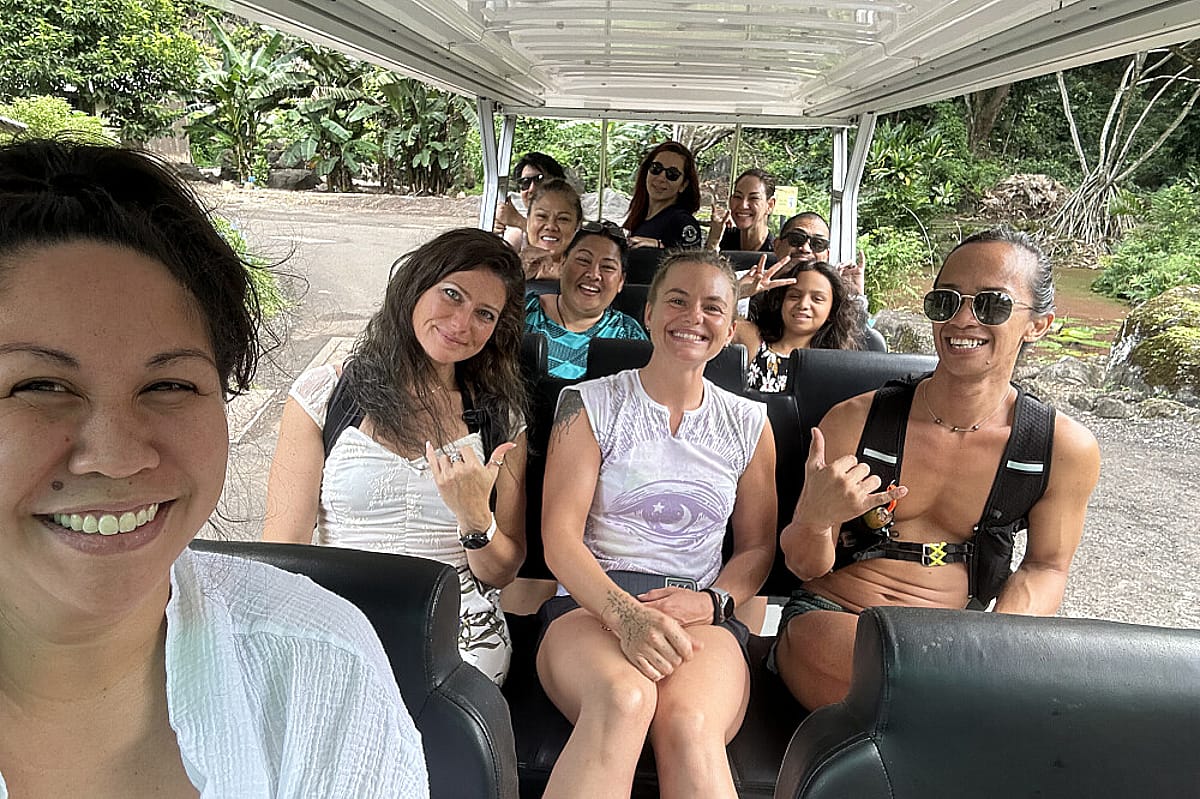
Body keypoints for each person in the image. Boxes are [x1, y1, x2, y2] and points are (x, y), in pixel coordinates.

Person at [0, 139, 427, 796]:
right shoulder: (335, 397)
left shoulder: (319, 670)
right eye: (38, 386)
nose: (117, 458)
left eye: (169, 385)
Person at [771, 228, 1102, 711]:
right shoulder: (855, 420)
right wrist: (816, 519)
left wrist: (998, 645)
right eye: (946, 301)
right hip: (836, 618)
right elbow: (803, 566)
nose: (963, 319)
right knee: (902, 692)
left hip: (956, 642)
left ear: (1039, 324)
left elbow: (1046, 566)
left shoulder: (1059, 448)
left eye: (992, 305)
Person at [536, 250, 777, 798]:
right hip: (590, 605)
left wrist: (712, 603)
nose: (694, 317)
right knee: (625, 699)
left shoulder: (748, 424)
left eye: (713, 307)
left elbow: (757, 549)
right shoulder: (589, 404)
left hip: (700, 614)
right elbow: (560, 539)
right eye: (677, 300)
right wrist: (625, 616)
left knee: (690, 723)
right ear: (647, 312)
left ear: (732, 326)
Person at [264, 228, 528, 685]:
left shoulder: (499, 417)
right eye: (452, 294)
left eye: (484, 314)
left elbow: (502, 572)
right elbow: (283, 549)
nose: (462, 323)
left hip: (455, 627)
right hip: (339, 611)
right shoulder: (325, 396)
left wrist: (474, 520)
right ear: (414, 285)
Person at [524, 220, 648, 379]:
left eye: (607, 267)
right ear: (562, 265)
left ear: (621, 282)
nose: (593, 274)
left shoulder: (629, 335)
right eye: (583, 261)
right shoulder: (524, 311)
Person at [735, 260, 865, 392]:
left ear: (832, 311)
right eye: (794, 296)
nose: (803, 305)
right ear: (781, 302)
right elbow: (716, 325)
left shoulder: (838, 366)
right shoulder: (752, 339)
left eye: (817, 299)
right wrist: (738, 293)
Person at [622, 141, 703, 250]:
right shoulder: (639, 215)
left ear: (683, 185)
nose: (661, 178)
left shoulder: (682, 221)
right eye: (656, 168)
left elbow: (693, 261)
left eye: (672, 174)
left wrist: (659, 246)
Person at [494, 151, 567, 250]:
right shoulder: (517, 230)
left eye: (539, 179)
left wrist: (517, 221)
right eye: (525, 182)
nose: (532, 189)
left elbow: (563, 245)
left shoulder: (570, 214)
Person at [520, 178, 582, 280]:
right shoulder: (506, 269)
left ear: (577, 225)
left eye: (563, 219)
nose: (551, 226)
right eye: (541, 216)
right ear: (528, 220)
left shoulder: (588, 275)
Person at [707, 168, 777, 253]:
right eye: (738, 197)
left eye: (753, 198)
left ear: (770, 205)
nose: (743, 205)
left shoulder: (776, 252)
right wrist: (713, 240)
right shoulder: (723, 240)